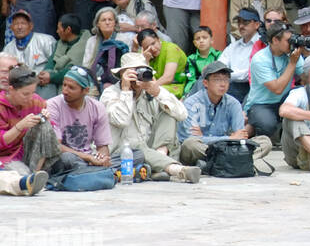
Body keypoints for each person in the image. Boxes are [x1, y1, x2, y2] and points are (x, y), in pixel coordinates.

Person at [101, 52, 199, 183]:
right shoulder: (110, 93)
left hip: (153, 149)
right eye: (133, 72)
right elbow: (121, 121)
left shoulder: (150, 92)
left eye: (140, 72)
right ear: (122, 74)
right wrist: (126, 90)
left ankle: (159, 163)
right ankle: (176, 169)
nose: (137, 77)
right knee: (137, 146)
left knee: (168, 113)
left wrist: (158, 92)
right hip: (124, 152)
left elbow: (182, 115)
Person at [178, 61, 272, 169]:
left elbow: (240, 137)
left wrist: (208, 138)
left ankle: (215, 165)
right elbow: (190, 138)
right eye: (217, 79)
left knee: (264, 142)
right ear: (205, 83)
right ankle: (235, 163)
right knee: (190, 144)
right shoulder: (191, 103)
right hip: (203, 149)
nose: (222, 84)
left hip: (225, 148)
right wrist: (229, 138)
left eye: (226, 80)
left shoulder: (233, 103)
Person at [44, 65, 112, 184]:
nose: (65, 91)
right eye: (64, 85)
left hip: (87, 160)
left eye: (71, 88)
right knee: (67, 159)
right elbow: (55, 147)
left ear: (85, 90)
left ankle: (91, 172)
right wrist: (89, 158)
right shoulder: (52, 105)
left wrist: (102, 159)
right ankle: (97, 173)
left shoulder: (97, 107)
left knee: (136, 155)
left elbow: (102, 145)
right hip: (64, 158)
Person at [0, 65, 58, 195]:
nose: (30, 97)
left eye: (33, 92)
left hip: (29, 154)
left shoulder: (36, 101)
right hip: (5, 157)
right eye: (25, 94)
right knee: (14, 174)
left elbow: (50, 132)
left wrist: (46, 119)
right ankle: (26, 181)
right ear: (11, 89)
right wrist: (20, 126)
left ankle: (35, 173)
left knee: (45, 126)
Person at [244, 21, 305, 139]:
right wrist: (292, 63)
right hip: (261, 104)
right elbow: (277, 89)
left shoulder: (292, 53)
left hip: (284, 100)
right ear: (275, 40)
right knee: (267, 125)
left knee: (304, 94)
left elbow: (306, 77)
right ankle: (253, 126)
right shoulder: (260, 59)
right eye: (288, 41)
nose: (291, 44)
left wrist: (306, 53)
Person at [38, 14, 91, 101]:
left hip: (72, 81)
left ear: (68, 30)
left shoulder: (85, 44)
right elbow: (52, 61)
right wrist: (45, 74)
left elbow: (73, 71)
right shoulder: (60, 43)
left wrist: (51, 77)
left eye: (59, 28)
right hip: (54, 76)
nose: (57, 31)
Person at [218, 9, 261, 104]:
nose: (241, 26)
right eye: (239, 22)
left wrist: (225, 76)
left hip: (250, 87)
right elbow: (220, 65)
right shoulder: (233, 46)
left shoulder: (262, 45)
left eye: (245, 22)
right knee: (204, 81)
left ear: (257, 24)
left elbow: (249, 74)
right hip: (228, 83)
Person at [136, 27, 188, 98]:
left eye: (153, 43)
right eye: (147, 47)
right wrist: (146, 61)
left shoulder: (171, 49)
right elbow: (142, 79)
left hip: (175, 86)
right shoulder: (145, 54)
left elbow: (168, 78)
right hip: (156, 85)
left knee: (150, 93)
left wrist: (151, 87)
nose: (152, 49)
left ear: (158, 39)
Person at [83, 5, 131, 72]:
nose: (107, 23)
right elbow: (86, 64)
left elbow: (127, 64)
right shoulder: (91, 41)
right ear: (98, 24)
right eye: (103, 20)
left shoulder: (124, 39)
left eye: (110, 20)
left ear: (115, 23)